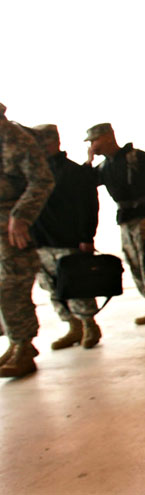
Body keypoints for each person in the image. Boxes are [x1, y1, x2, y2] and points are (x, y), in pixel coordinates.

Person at [86, 123, 145, 329]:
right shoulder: (105, 166)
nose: (93, 145)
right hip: (126, 220)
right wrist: (89, 161)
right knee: (134, 263)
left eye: (94, 140)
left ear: (107, 137)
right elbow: (85, 183)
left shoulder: (138, 158)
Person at [30, 124, 101, 349]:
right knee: (52, 288)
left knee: (77, 285)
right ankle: (73, 326)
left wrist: (86, 236)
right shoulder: (34, 173)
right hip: (41, 242)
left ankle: (89, 324)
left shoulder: (73, 172)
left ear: (52, 142)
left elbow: (88, 206)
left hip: (67, 241)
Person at [0, 102, 54, 377]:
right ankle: (16, 343)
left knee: (11, 288)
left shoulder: (12, 136)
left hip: (11, 230)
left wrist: (20, 216)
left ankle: (23, 345)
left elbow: (42, 180)